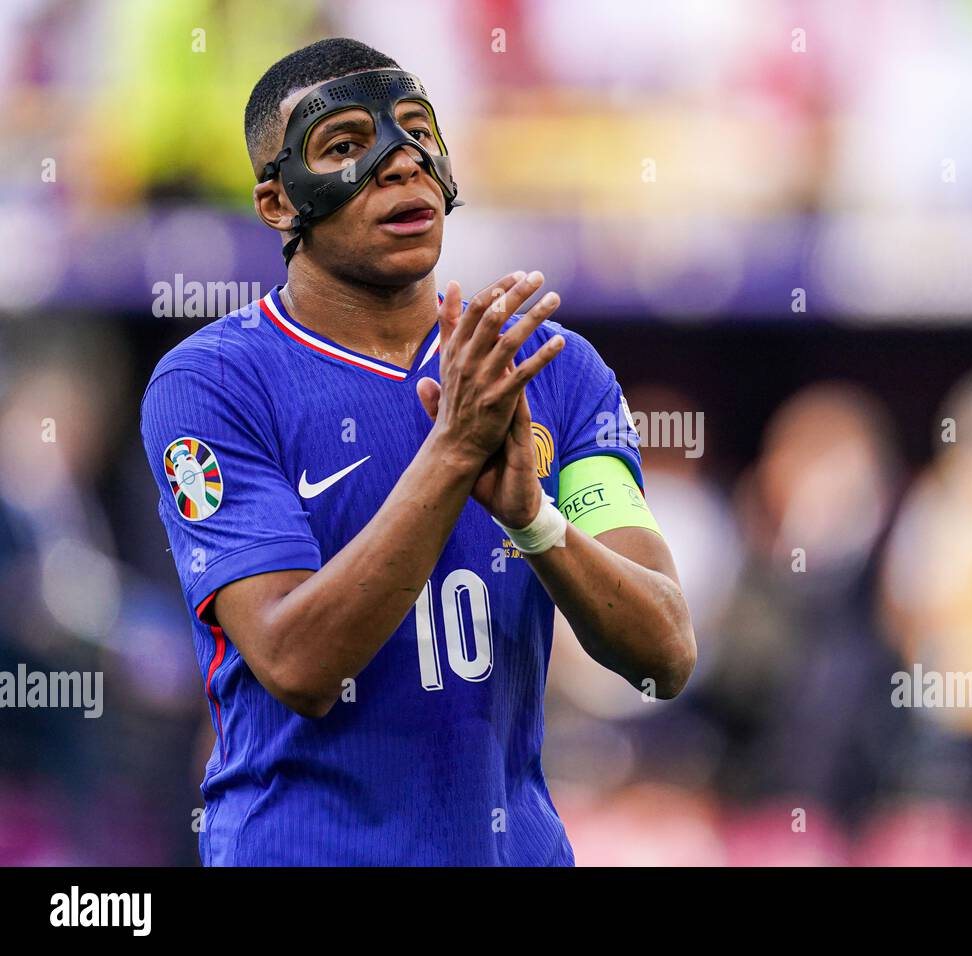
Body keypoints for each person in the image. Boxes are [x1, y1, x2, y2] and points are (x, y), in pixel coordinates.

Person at [139, 37, 695, 865]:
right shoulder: (212, 384)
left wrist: (533, 519)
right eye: (345, 145)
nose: (402, 165)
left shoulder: (556, 368)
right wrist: (453, 452)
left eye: (417, 133)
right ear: (277, 202)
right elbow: (298, 662)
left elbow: (665, 653)